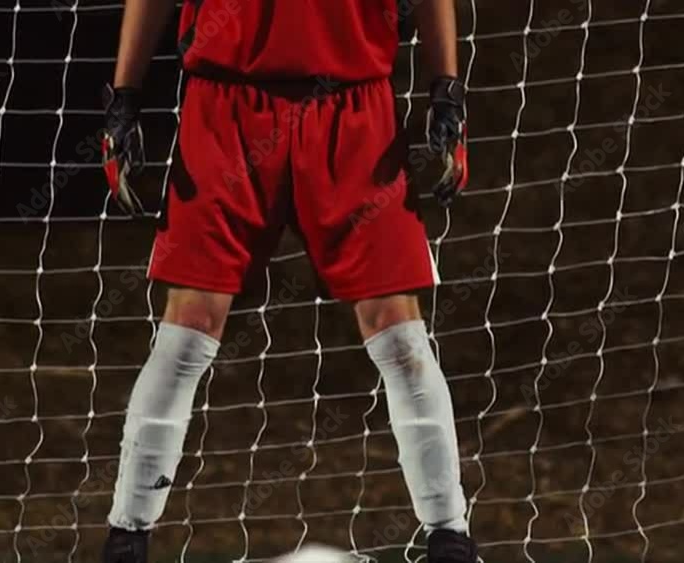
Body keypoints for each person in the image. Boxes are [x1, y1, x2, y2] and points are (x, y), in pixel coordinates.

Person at [99, 1, 472, 562]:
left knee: (398, 330)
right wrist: (123, 97)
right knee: (188, 325)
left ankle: (451, 540)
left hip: (353, 106)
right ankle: (126, 539)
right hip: (226, 104)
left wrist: (446, 90)